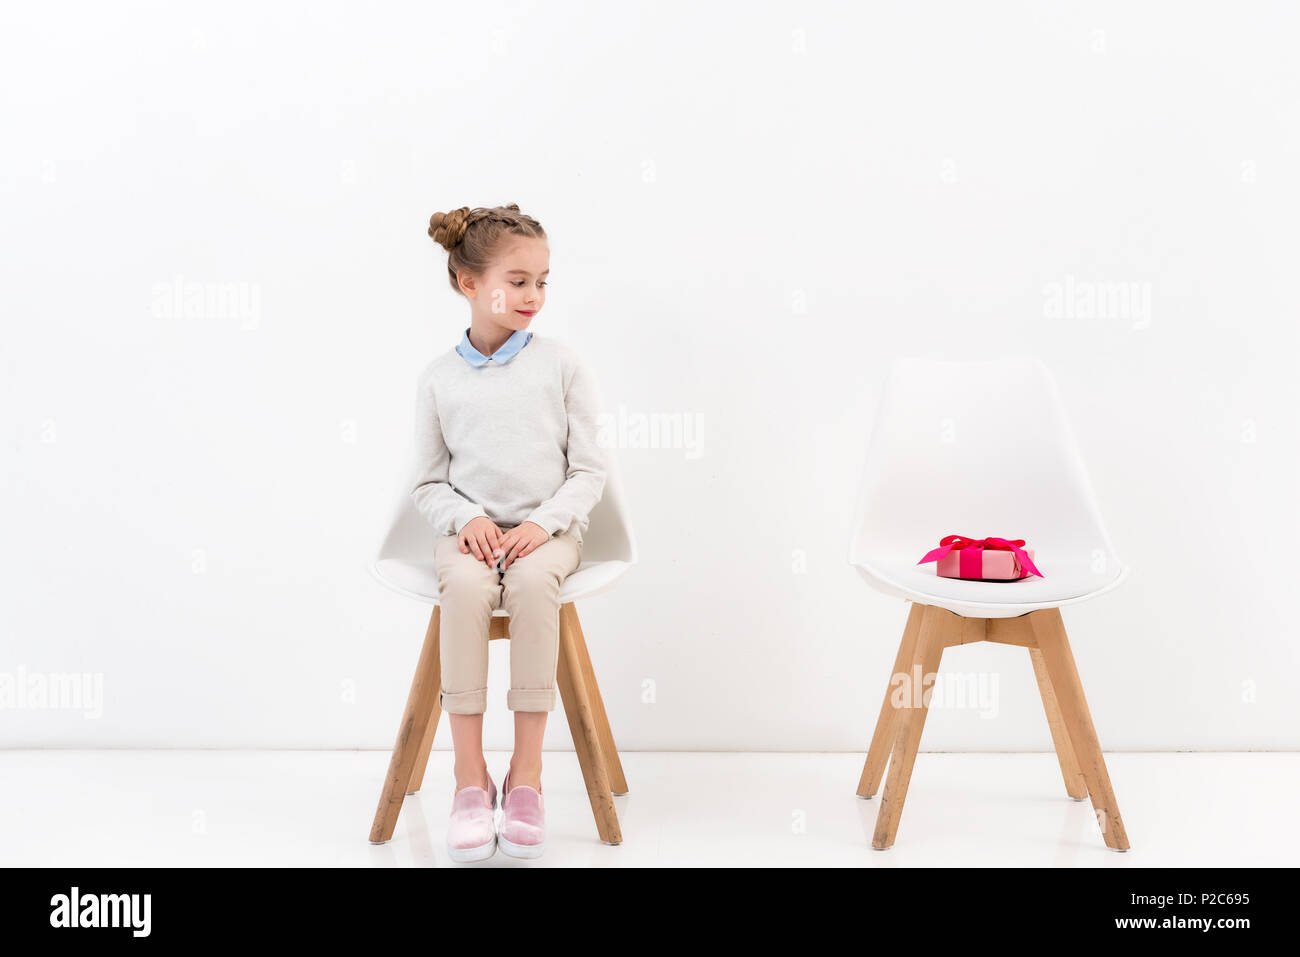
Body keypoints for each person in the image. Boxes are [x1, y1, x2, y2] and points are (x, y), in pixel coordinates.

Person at [411, 203, 607, 862]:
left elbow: (588, 472)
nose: (534, 295)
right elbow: (428, 484)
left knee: (529, 584)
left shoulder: (561, 365)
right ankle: (470, 777)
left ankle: (526, 775)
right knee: (464, 591)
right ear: (470, 284)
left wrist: (542, 524)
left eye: (543, 281)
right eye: (518, 280)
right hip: (469, 537)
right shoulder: (439, 379)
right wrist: (465, 519)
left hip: (546, 535)